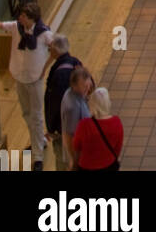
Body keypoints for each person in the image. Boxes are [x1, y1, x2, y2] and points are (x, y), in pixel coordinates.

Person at [44, 35, 81, 170]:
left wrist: (51, 128)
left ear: (56, 50)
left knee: (62, 161)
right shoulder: (76, 63)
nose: (49, 49)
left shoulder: (59, 74)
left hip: (62, 128)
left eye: (51, 47)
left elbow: (55, 104)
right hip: (78, 124)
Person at [71, 87, 123, 173]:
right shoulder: (116, 122)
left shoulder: (84, 125)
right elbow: (118, 148)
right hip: (109, 165)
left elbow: (76, 147)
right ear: (108, 103)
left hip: (86, 167)